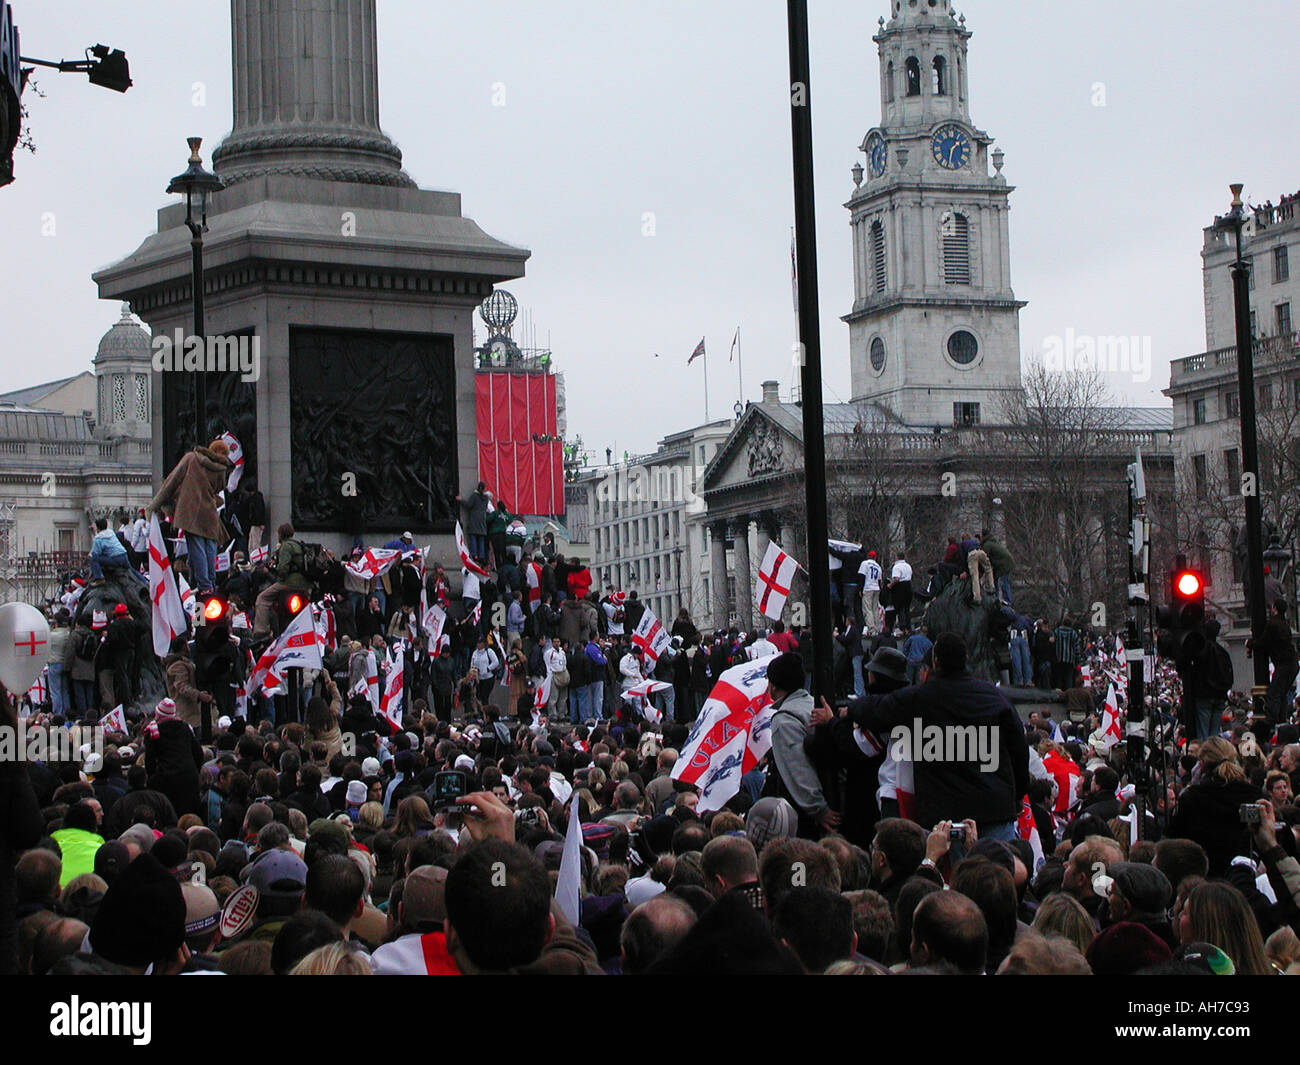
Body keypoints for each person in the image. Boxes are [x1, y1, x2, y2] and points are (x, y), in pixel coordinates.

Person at [846, 632, 1029, 842]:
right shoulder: (995, 697)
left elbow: (879, 709)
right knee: (998, 871)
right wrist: (1018, 794)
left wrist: (850, 709)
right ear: (966, 659)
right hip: (995, 806)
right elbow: (1019, 750)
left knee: (958, 873)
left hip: (948, 813)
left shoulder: (921, 697)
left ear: (935, 662)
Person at [761, 652, 839, 838]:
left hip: (807, 814)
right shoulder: (811, 704)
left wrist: (818, 807)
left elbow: (797, 767)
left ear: (774, 685)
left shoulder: (785, 719)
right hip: (831, 794)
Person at [149, 438, 232, 593]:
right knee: (209, 548)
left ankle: (204, 586)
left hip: (191, 511)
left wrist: (154, 506)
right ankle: (210, 584)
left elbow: (171, 482)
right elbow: (219, 488)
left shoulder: (191, 458)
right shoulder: (221, 469)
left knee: (196, 547)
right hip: (210, 513)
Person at [252, 524, 313, 641]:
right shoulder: (298, 545)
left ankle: (261, 632)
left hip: (289, 584)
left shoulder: (286, 546)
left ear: (280, 534)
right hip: (305, 585)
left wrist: (275, 573)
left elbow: (283, 569)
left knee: (263, 598)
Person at [889, 553, 913, 630]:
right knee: (907, 608)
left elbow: (896, 579)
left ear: (897, 558)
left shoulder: (897, 566)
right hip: (908, 586)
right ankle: (908, 626)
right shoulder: (908, 566)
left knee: (900, 608)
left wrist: (890, 585)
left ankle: (902, 626)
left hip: (900, 587)